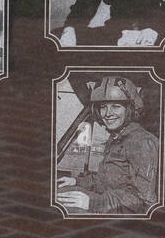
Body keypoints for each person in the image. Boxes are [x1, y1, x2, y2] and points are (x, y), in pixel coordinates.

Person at [57, 76, 159, 216]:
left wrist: (93, 203)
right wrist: (76, 181)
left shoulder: (142, 142)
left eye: (116, 106)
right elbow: (104, 180)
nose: (108, 113)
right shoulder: (117, 138)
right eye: (104, 107)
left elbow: (144, 201)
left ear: (130, 109)